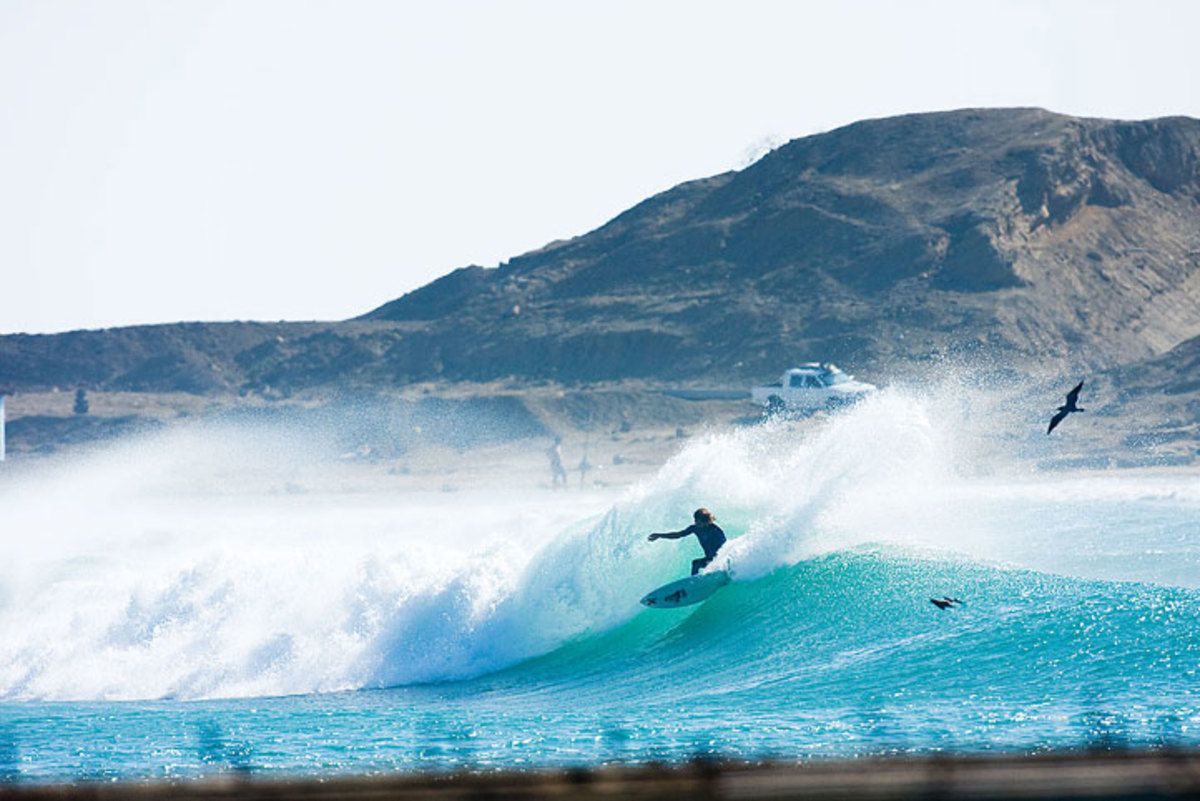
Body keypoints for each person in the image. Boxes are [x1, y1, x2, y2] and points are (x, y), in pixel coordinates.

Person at [647, 508, 727, 575]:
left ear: (706, 521)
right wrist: (660, 535)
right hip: (709, 558)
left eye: (698, 522)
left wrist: (720, 562)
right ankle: (694, 581)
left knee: (696, 563)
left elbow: (725, 548)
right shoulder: (695, 528)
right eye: (695, 520)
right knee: (695, 564)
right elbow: (678, 534)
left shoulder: (716, 530)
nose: (696, 523)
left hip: (719, 560)